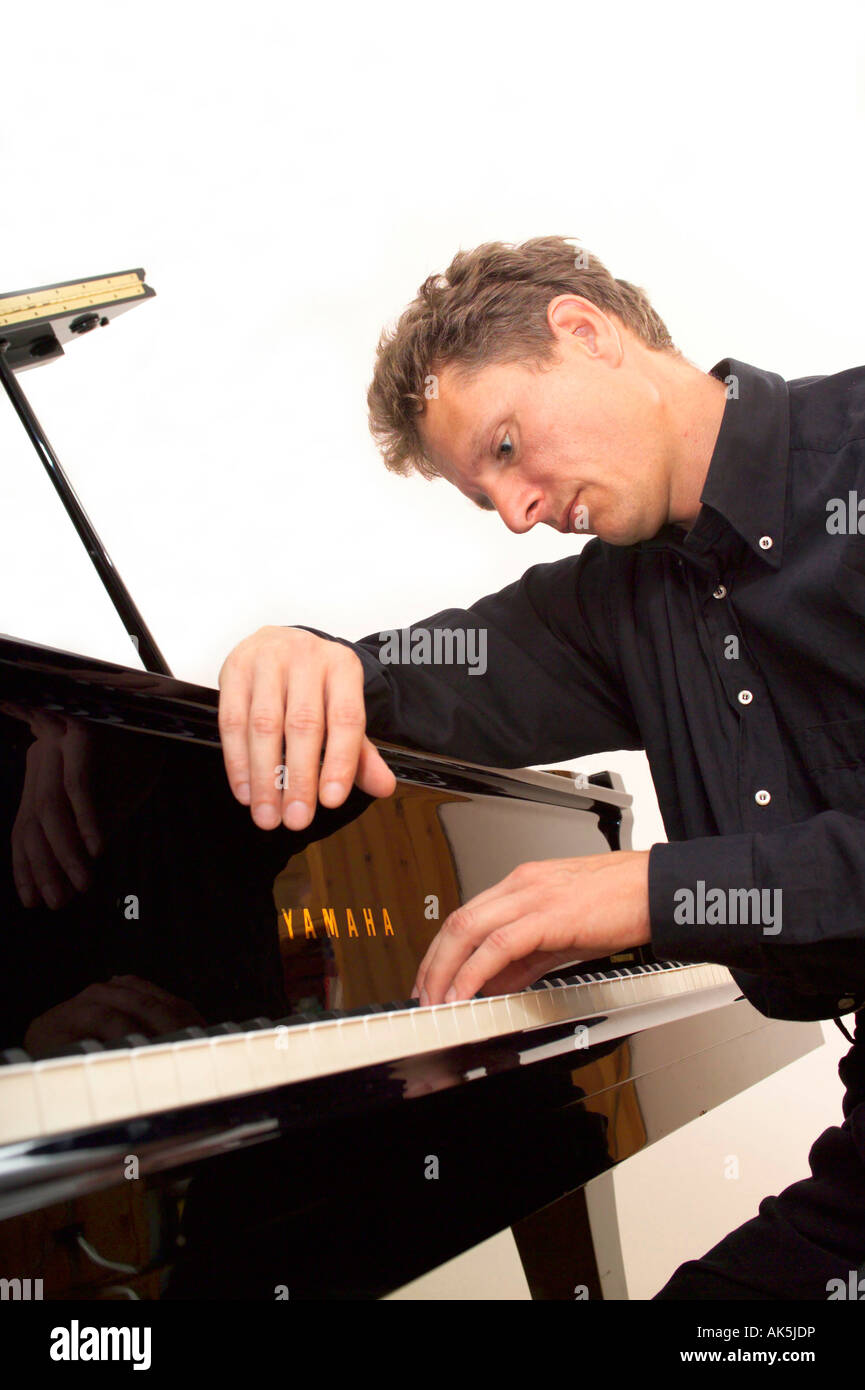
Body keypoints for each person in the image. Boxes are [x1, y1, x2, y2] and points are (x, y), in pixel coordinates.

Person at [217, 236, 865, 1298]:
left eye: (507, 445)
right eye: (487, 495)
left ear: (584, 331)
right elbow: (416, 680)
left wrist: (654, 890)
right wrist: (300, 652)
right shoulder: (613, 600)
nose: (517, 511)